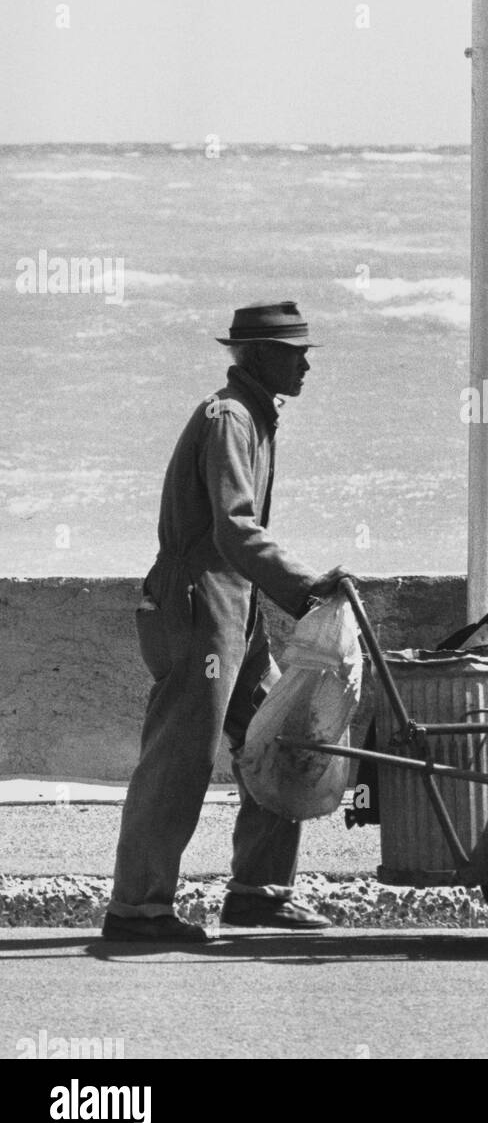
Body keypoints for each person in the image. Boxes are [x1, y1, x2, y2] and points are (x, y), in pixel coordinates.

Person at [103, 301, 352, 943]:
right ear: (257, 355)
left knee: (283, 735)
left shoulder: (256, 417)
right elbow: (234, 527)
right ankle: (139, 908)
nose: (304, 363)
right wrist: (305, 586)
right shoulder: (229, 418)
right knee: (181, 755)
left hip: (234, 604)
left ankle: (259, 893)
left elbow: (238, 540)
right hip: (197, 602)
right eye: (293, 352)